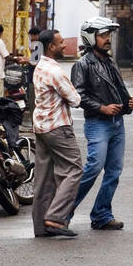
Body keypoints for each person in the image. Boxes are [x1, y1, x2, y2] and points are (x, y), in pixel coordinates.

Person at [69, 16, 133, 231]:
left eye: (108, 35)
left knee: (114, 171)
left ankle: (101, 215)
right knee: (94, 167)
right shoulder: (82, 64)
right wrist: (102, 108)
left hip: (117, 124)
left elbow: (118, 90)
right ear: (91, 37)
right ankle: (62, 213)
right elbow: (78, 96)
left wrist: (129, 103)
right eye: (103, 35)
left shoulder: (109, 62)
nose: (108, 39)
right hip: (98, 123)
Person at [31, 29, 82, 240]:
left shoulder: (39, 66)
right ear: (51, 46)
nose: (64, 46)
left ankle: (41, 226)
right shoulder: (55, 71)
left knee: (43, 178)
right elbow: (75, 99)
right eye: (60, 43)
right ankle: (56, 216)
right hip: (58, 128)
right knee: (74, 169)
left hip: (41, 127)